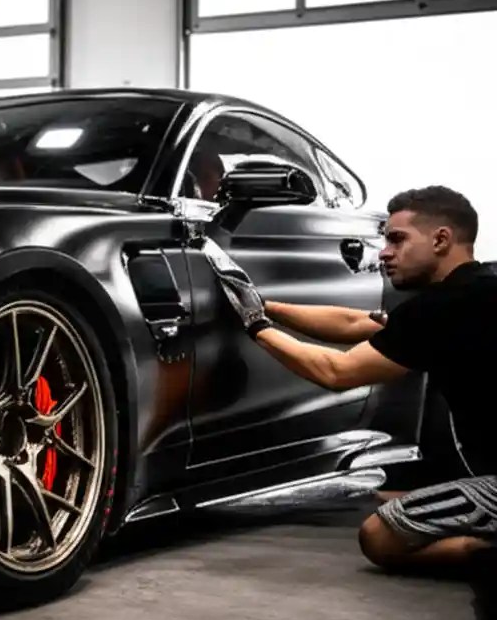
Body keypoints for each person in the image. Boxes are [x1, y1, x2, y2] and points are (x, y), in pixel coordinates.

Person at [207, 185, 497, 573]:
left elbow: (336, 371)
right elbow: (356, 324)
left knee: (380, 536)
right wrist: (263, 304)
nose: (385, 253)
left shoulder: (443, 308)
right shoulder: (476, 292)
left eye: (397, 239)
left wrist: (255, 325)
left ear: (441, 239)